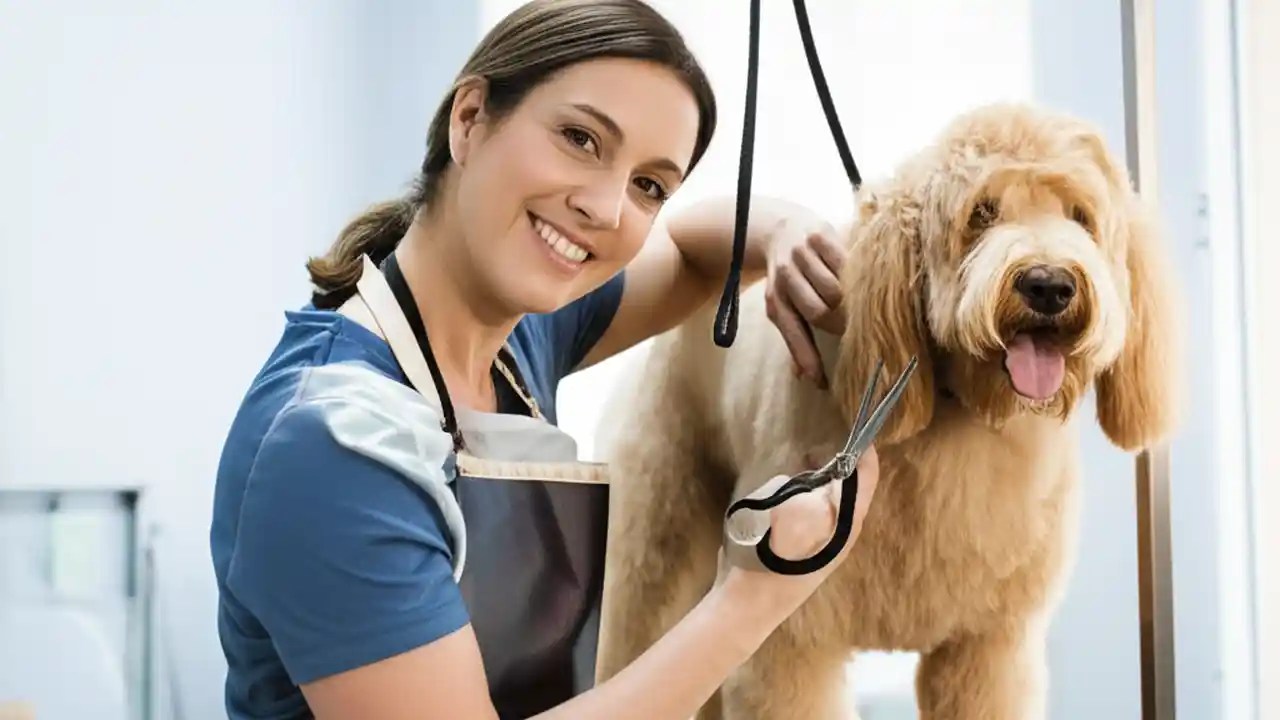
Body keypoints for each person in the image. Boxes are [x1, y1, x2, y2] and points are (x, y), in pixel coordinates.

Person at [209, 1, 880, 718]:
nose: (605, 207)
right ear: (469, 119)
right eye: (580, 138)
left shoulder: (518, 340)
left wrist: (785, 234)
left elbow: (687, 253)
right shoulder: (333, 448)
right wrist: (753, 600)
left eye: (648, 184)